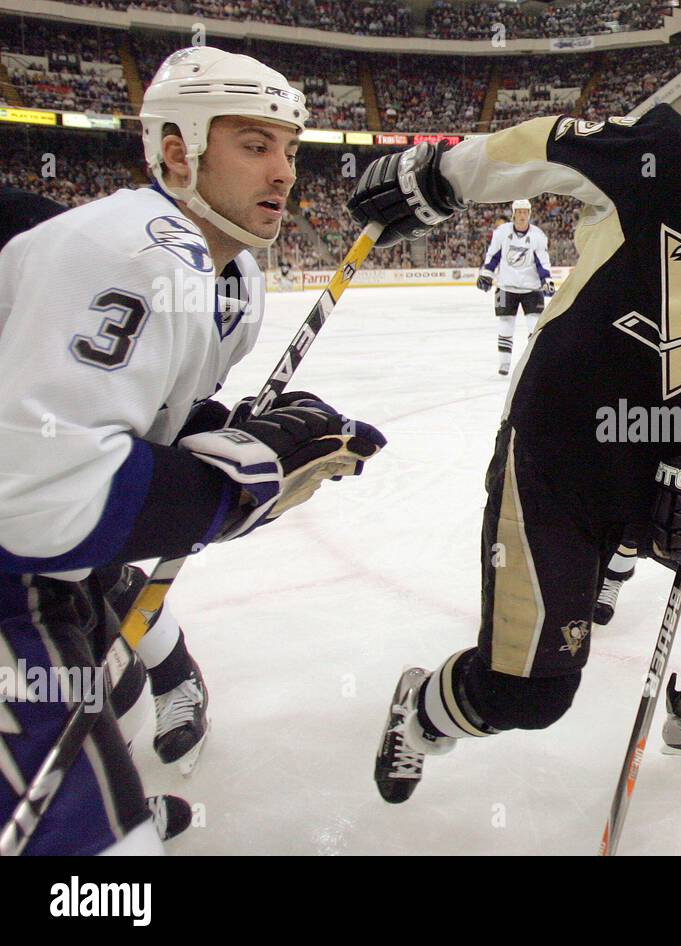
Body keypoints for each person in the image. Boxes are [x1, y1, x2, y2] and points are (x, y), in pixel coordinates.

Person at [347, 67, 681, 803]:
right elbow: (549, 145)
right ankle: (420, 714)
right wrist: (445, 174)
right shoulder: (670, 162)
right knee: (529, 694)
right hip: (558, 458)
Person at [0, 46, 384, 856]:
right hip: (13, 571)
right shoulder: (130, 252)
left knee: (126, 714)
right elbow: (40, 506)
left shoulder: (235, 277)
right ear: (178, 149)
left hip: (45, 564)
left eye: (289, 147)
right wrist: (247, 479)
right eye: (254, 146)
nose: (284, 172)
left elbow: (142, 423)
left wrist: (235, 434)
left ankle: (125, 792)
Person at [477, 198, 554, 375]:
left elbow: (542, 261)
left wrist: (547, 280)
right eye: (519, 212)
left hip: (531, 289)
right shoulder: (501, 232)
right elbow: (493, 256)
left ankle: (533, 363)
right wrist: (486, 275)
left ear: (529, 214)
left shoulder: (538, 235)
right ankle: (504, 364)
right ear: (514, 214)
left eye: (525, 212)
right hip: (505, 287)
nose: (522, 215)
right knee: (505, 325)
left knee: (535, 327)